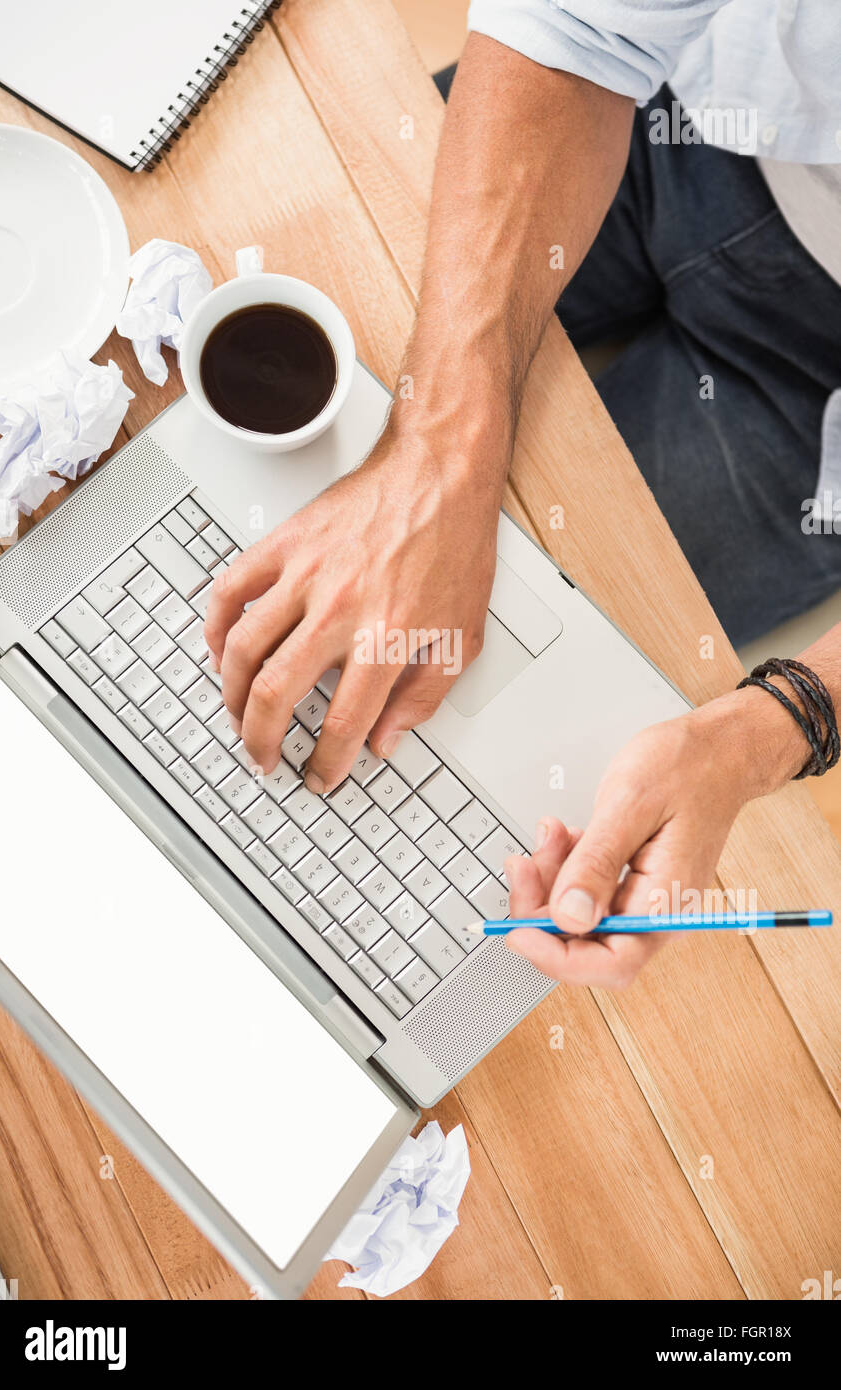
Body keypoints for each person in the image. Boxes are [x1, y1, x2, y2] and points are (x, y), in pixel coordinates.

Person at [205, 1, 841, 989]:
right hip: (666, 99)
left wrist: (763, 731)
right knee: (282, 406)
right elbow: (577, 31)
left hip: (811, 414)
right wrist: (431, 461)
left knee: (519, 693)